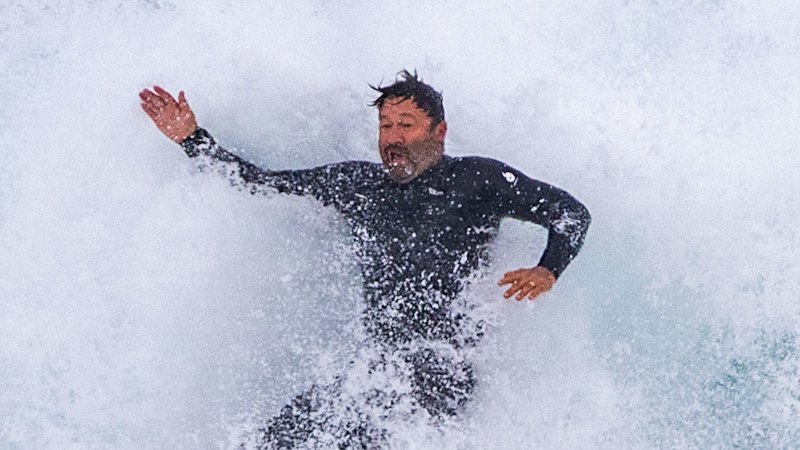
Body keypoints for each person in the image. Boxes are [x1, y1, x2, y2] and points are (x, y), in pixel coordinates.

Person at [140, 70, 590, 448]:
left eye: (406, 125)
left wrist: (547, 268)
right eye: (385, 126)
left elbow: (571, 213)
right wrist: (192, 139)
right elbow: (258, 183)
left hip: (441, 373)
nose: (392, 138)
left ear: (439, 132)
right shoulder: (357, 185)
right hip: (375, 370)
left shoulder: (478, 179)